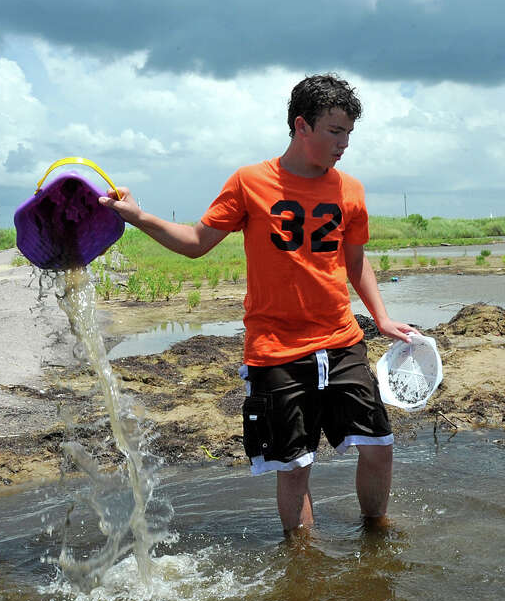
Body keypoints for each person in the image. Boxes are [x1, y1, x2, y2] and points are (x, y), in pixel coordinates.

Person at [101, 74, 412, 533]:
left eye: (349, 132)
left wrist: (380, 317)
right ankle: (302, 564)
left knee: (379, 443)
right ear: (301, 126)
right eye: (335, 131)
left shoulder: (351, 190)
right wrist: (139, 217)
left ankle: (376, 533)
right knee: (294, 466)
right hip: (276, 349)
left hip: (341, 340)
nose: (344, 143)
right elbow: (195, 242)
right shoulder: (251, 182)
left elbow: (355, 259)